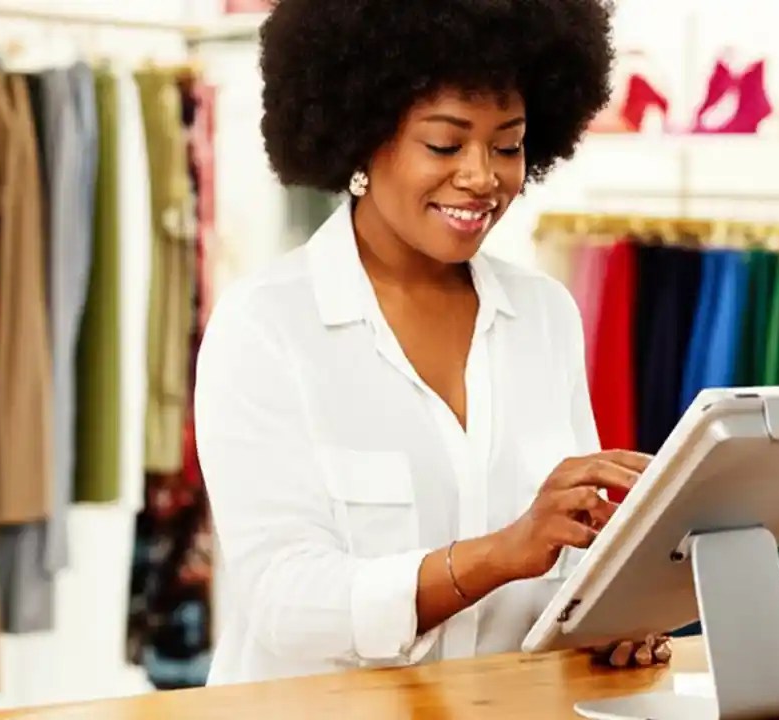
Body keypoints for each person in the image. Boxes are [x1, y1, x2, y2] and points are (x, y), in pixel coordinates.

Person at [194, 0, 669, 685]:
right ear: (363, 134)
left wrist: (613, 613)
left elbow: (565, 563)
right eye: (445, 145)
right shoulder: (266, 327)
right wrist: (499, 553)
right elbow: (285, 602)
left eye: (507, 145)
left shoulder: (544, 316)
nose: (482, 177)